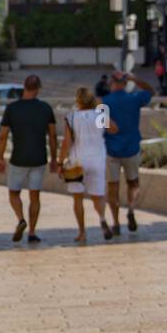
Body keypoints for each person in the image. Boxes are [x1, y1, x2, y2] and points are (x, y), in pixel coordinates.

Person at [0, 74, 58, 245]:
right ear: (38, 89)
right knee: (35, 196)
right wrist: (54, 158)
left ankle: (20, 218)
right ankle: (32, 232)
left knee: (13, 193)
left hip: (18, 159)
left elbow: (2, 137)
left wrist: (0, 158)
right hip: (39, 159)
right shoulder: (46, 108)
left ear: (24, 86)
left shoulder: (12, 109)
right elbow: (52, 136)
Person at [57, 87, 117, 243]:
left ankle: (82, 233)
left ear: (78, 101)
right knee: (98, 196)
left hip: (78, 161)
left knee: (78, 198)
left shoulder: (71, 117)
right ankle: (102, 219)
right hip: (97, 160)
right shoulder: (99, 115)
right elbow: (114, 129)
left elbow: (66, 143)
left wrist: (60, 162)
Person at [99, 69, 154, 235]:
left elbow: (100, 125)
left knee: (112, 188)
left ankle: (116, 223)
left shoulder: (104, 102)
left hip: (112, 151)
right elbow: (151, 91)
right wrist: (136, 80)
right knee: (133, 183)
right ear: (126, 82)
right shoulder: (134, 98)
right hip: (132, 148)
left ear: (111, 83)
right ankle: (131, 209)